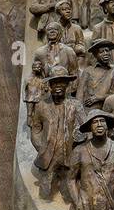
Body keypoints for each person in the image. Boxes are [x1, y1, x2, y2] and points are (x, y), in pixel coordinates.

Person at [67, 109, 114, 210]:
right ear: (90, 127)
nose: (99, 124)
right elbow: (71, 179)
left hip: (112, 203)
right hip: (88, 205)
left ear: (107, 125)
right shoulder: (79, 151)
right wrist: (78, 202)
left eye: (102, 121)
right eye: (95, 122)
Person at [27, 66, 81, 200]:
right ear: (49, 86)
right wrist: (41, 148)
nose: (58, 86)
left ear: (67, 85)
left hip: (69, 154)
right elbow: (36, 129)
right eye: (55, 83)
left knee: (69, 193)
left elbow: (84, 127)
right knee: (45, 193)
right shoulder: (41, 105)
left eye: (62, 82)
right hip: (48, 155)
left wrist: (78, 139)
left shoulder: (75, 105)